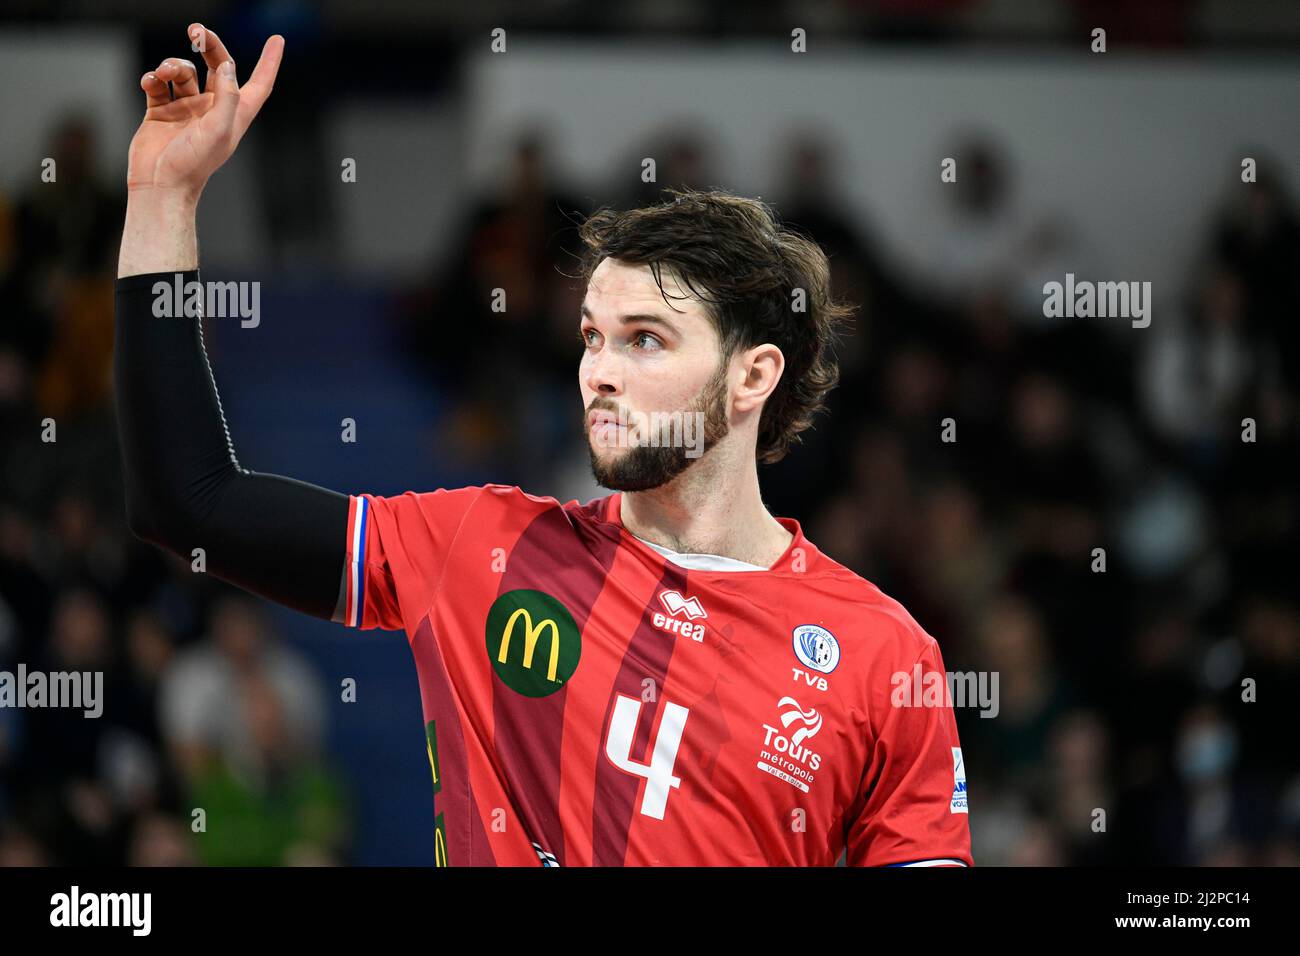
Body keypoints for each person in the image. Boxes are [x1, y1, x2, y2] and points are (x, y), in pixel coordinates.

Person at [114, 23, 973, 867]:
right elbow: (189, 502)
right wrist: (162, 200)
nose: (599, 369)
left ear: (753, 378)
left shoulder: (883, 656)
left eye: (646, 340)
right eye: (592, 337)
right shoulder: (483, 549)